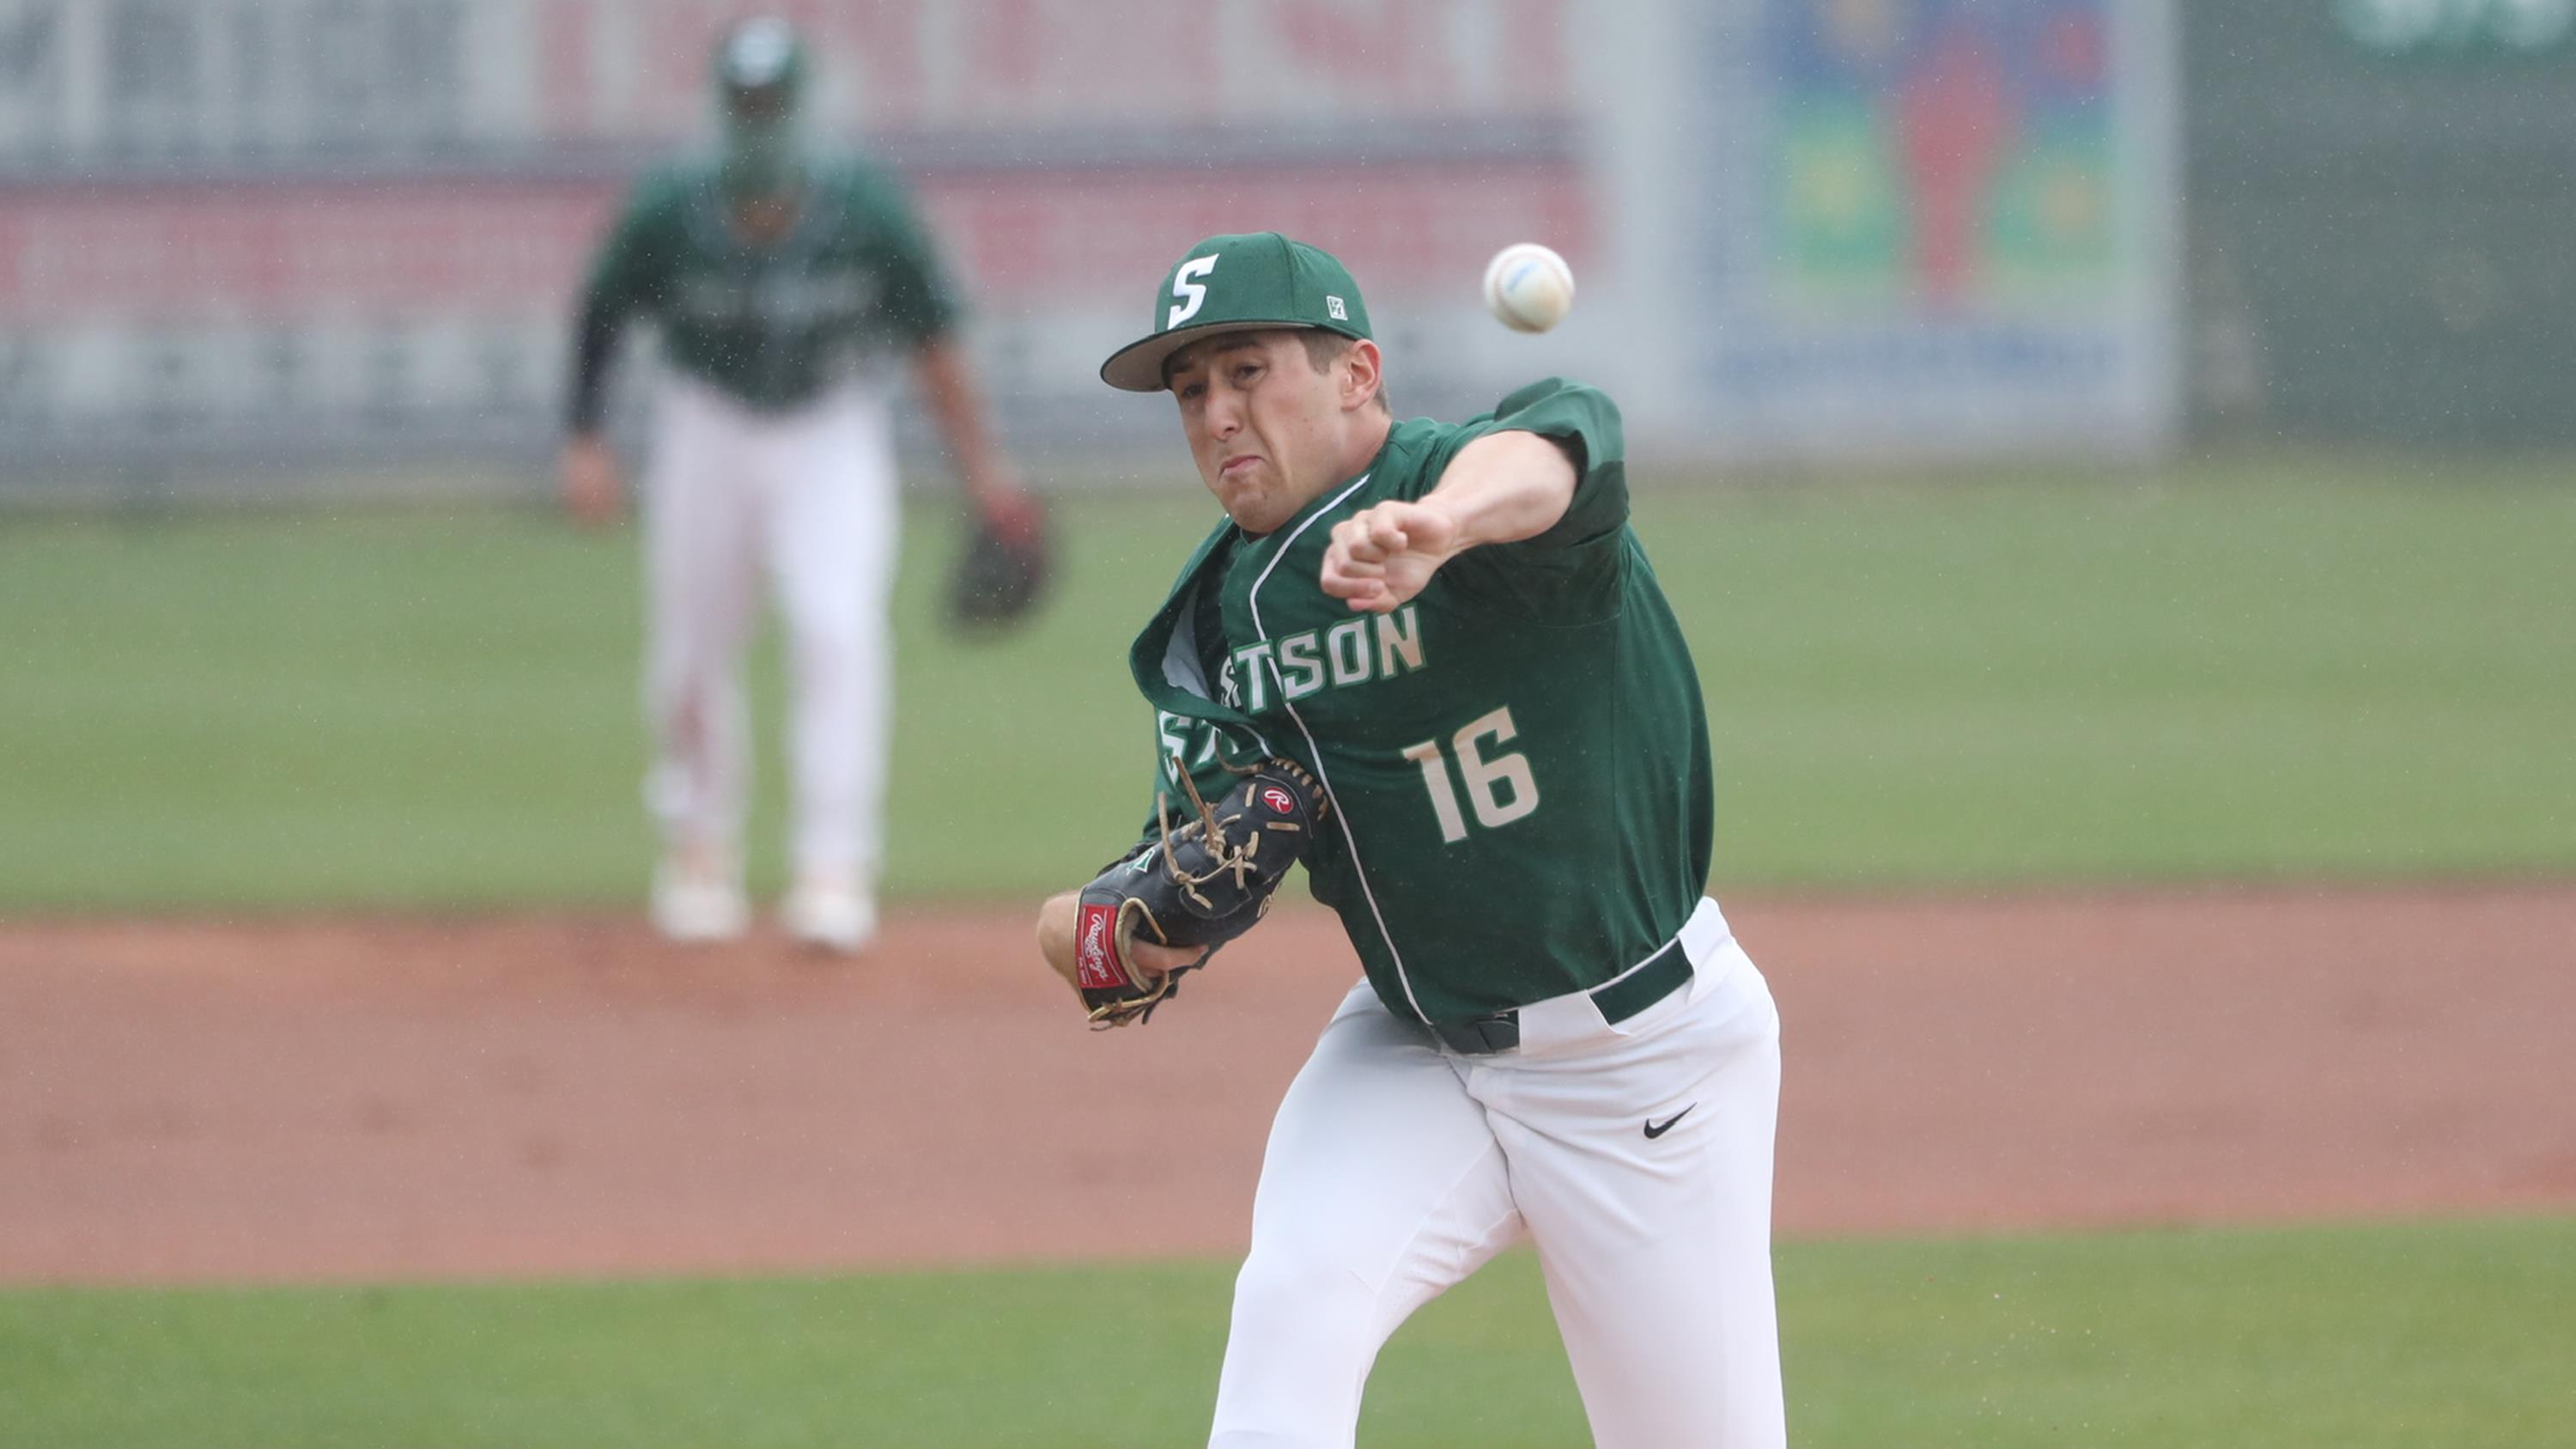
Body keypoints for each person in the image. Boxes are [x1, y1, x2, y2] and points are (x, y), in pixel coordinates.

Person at [1033, 231, 1788, 1446]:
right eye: (1191, 389)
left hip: (1644, 1058)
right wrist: (1106, 933)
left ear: (1356, 373)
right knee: (1293, 1301)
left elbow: (1555, 447)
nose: (1218, 412)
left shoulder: (1477, 493)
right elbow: (1143, 896)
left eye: (1247, 369)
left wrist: (1440, 525)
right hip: (1414, 1047)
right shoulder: (1225, 617)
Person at [562, 15, 1033, 950]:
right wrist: (584, 436)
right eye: (746, 102)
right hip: (706, 422)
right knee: (693, 647)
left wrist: (985, 470)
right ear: (723, 109)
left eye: (773, 102)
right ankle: (699, 849)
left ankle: (833, 866)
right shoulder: (671, 205)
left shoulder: (865, 207)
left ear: (801, 110)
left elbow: (934, 343)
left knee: (838, 629)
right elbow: (602, 309)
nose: (760, 118)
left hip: (831, 423)